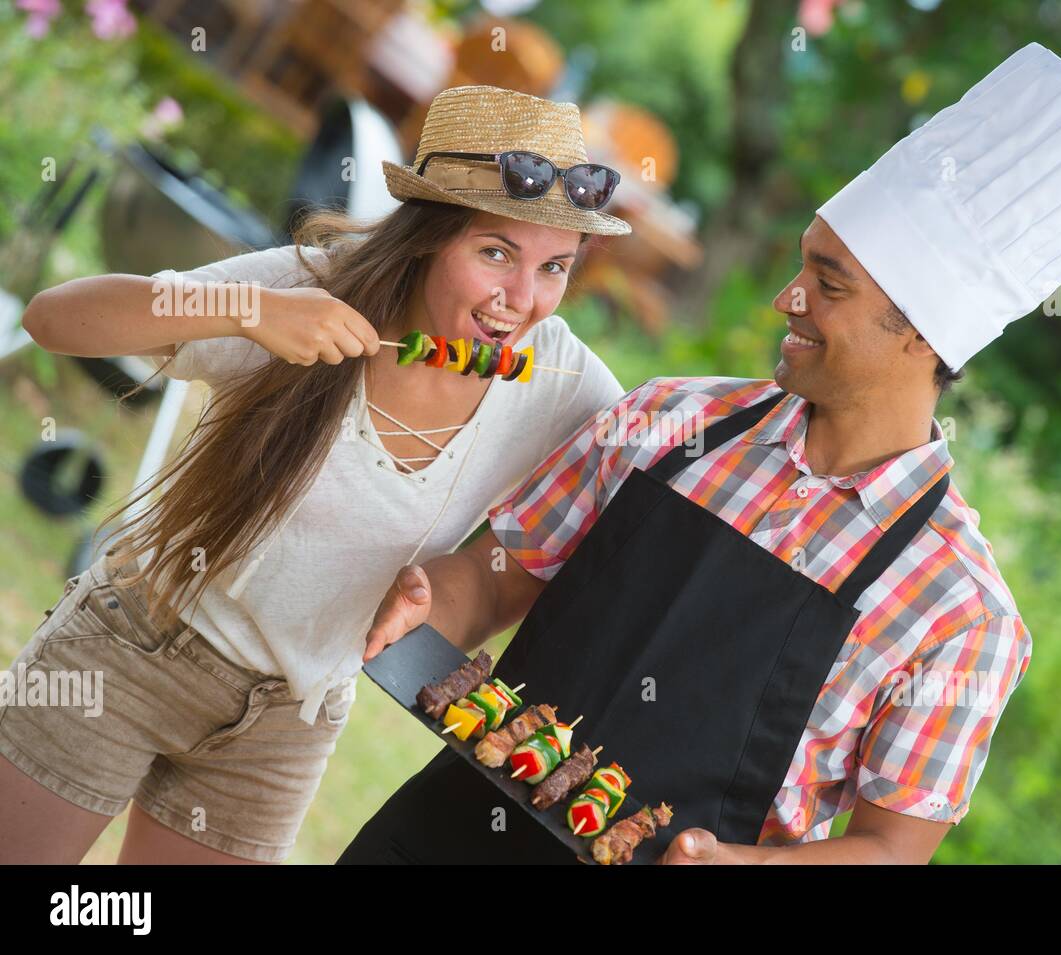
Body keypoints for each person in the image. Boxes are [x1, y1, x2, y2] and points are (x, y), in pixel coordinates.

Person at [341, 43, 1061, 865]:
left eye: (830, 283)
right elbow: (488, 582)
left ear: (924, 333)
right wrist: (427, 600)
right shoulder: (665, 421)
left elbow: (889, 849)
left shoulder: (962, 616)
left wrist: (749, 864)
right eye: (802, 265)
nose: (789, 297)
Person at [0, 85, 631, 864]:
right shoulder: (312, 286)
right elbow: (55, 317)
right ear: (432, 235)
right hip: (137, 645)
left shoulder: (564, 382)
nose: (521, 301)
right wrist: (245, 309)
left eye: (555, 267)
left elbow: (671, 463)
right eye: (495, 252)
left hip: (288, 722)